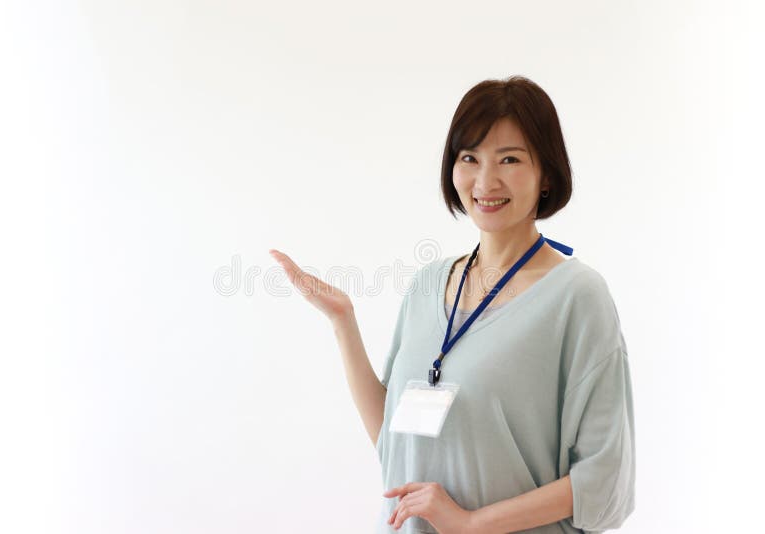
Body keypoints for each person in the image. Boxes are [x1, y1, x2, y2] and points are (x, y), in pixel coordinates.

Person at [269, 75, 635, 534]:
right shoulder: (429, 283)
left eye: (510, 159)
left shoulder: (577, 297)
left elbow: (605, 479)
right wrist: (343, 322)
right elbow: (395, 442)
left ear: (546, 173)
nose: (485, 180)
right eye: (469, 158)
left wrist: (471, 522)